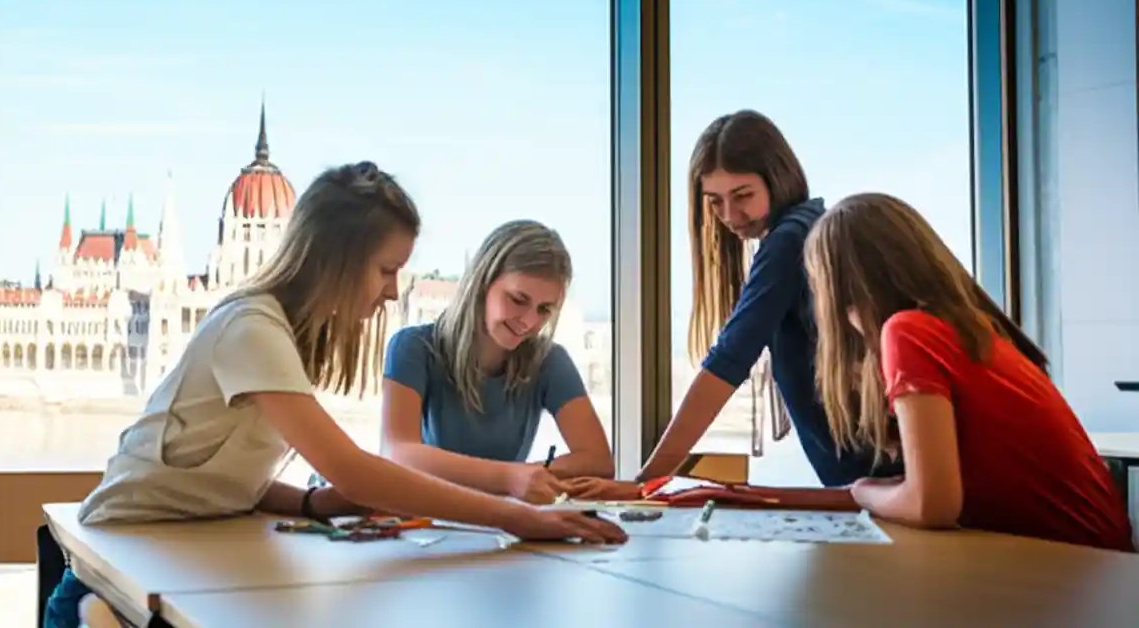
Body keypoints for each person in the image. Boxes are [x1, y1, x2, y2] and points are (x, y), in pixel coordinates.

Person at [44, 163, 625, 628]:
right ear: (338, 260)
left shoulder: (276, 332)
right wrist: (515, 517)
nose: (393, 292)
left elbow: (207, 473)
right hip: (109, 587)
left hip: (156, 561)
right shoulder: (251, 329)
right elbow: (353, 469)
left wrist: (311, 505)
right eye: (386, 270)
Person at [805, 192, 1133, 551]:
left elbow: (932, 505)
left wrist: (862, 492)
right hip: (1095, 556)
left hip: (1076, 562)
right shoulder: (967, 330)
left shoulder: (907, 332)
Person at [639, 109, 893, 486]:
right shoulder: (811, 228)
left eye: (743, 195)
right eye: (714, 201)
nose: (729, 215)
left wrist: (643, 483)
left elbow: (728, 362)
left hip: (875, 480)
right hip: (874, 480)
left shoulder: (790, 240)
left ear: (778, 179)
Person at [381, 220, 613, 505]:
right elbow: (399, 454)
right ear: (482, 284)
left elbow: (598, 461)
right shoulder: (413, 347)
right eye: (518, 300)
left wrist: (522, 478)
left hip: (506, 518)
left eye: (544, 309)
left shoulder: (549, 361)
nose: (529, 321)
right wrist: (510, 479)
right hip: (434, 512)